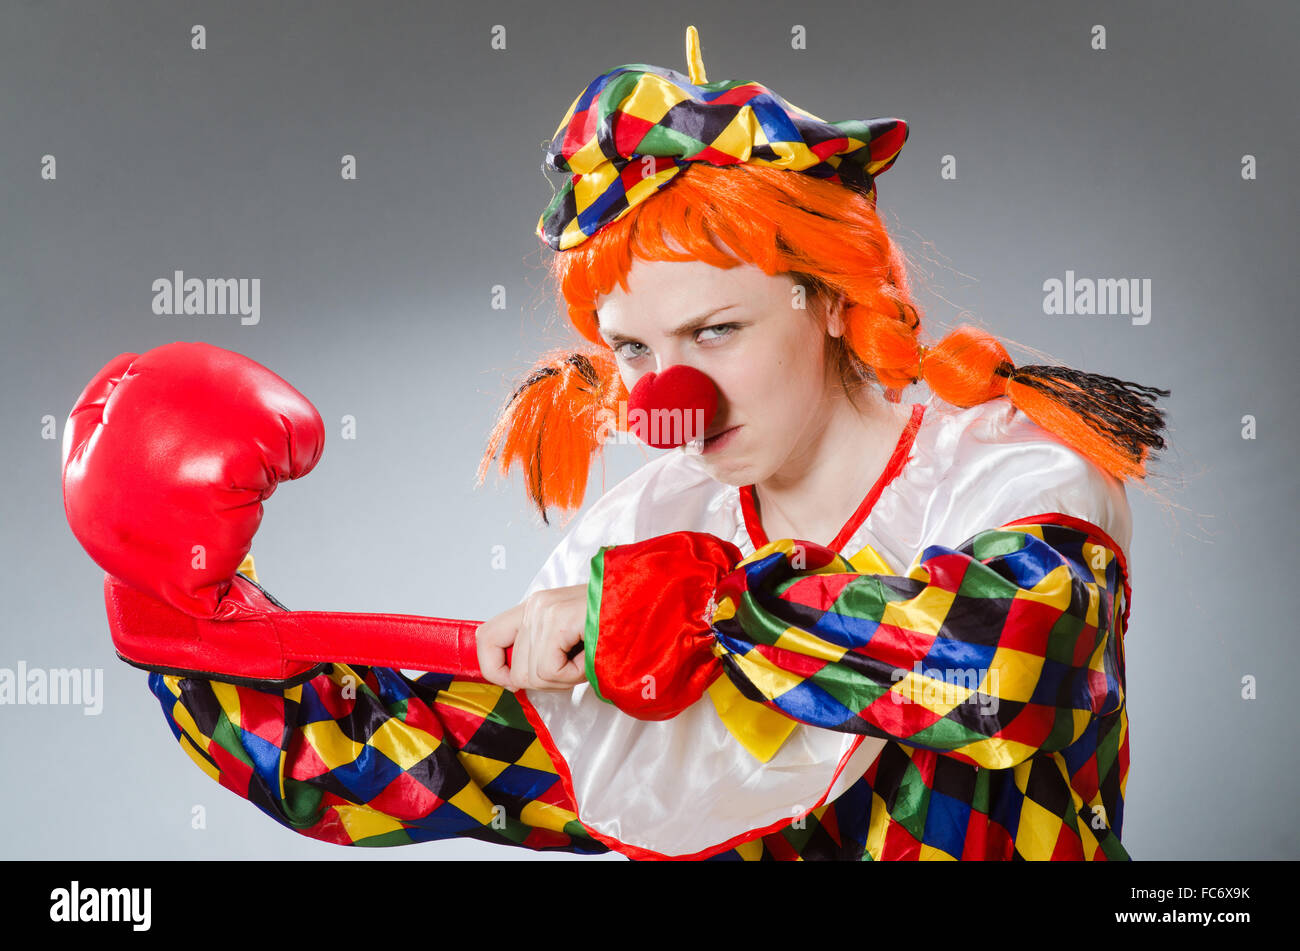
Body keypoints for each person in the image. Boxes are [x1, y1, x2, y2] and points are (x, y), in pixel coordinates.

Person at [143, 26, 1169, 860]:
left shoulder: (1011, 472)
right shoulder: (647, 530)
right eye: (632, 349)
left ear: (822, 301)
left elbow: (987, 677)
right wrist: (176, 590)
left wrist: (694, 607)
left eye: (715, 331)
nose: (666, 394)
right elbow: (410, 768)